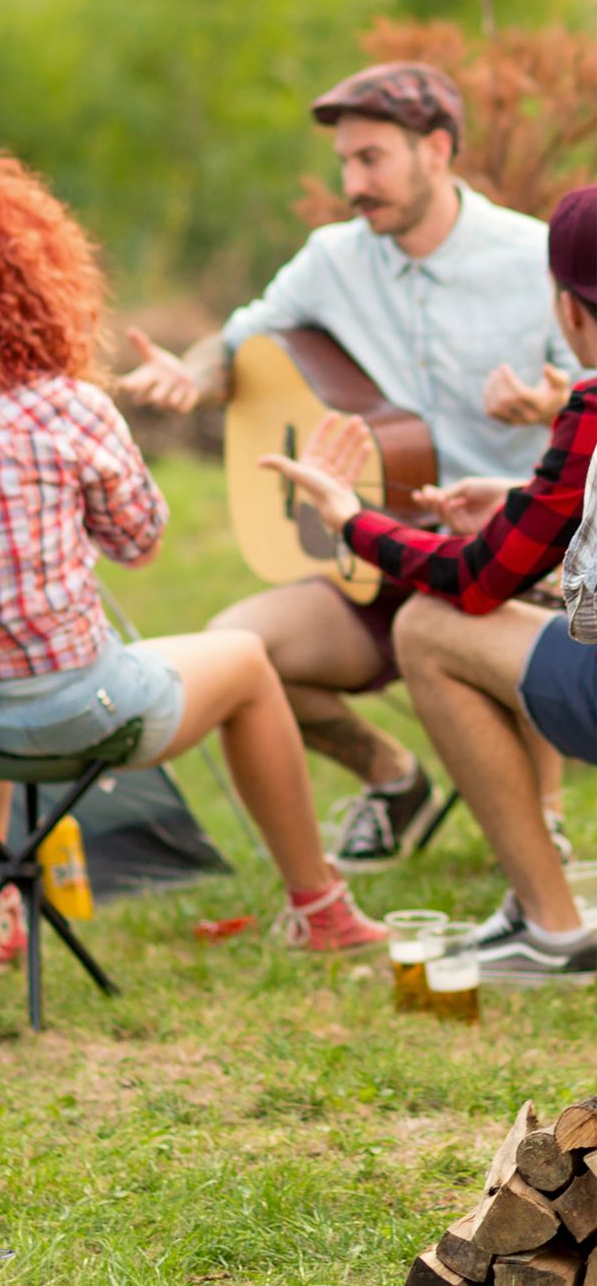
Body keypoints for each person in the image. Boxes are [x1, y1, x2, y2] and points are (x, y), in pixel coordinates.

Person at [0, 145, 383, 978]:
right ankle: (319, 909)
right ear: (40, 283)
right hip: (80, 713)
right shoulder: (69, 412)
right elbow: (140, 545)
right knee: (249, 663)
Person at [119, 62, 583, 872]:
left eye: (372, 159)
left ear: (436, 150)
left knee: (485, 617)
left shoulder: (530, 255)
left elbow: (593, 397)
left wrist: (551, 405)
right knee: (237, 649)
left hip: (508, 553)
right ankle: (392, 778)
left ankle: (541, 833)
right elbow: (235, 344)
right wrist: (190, 377)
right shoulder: (331, 259)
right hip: (377, 549)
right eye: (345, 162)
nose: (353, 182)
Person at [263, 185, 597, 982]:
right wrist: (521, 501)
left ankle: (552, 930)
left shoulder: (591, 404)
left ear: (571, 308)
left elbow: (475, 580)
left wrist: (350, 520)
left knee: (429, 628)